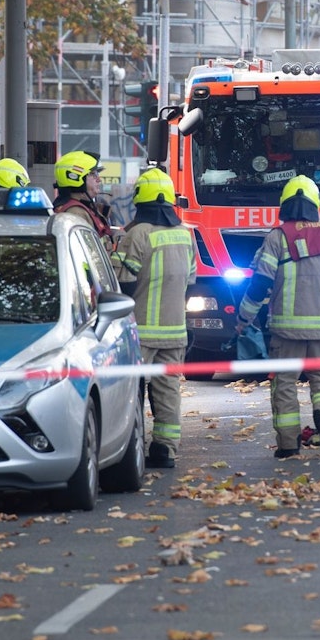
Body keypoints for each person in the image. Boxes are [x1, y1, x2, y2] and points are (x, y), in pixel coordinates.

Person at [236, 176, 320, 458]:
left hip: (285, 331)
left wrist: (243, 318)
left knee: (284, 384)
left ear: (284, 205)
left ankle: (288, 445)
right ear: (316, 204)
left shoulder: (277, 238)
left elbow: (260, 284)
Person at [112, 167, 195, 469]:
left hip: (139, 332)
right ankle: (165, 449)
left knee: (131, 391)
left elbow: (122, 284)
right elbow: (191, 281)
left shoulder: (137, 234)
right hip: (175, 331)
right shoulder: (185, 234)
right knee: (168, 390)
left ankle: (127, 448)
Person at [54, 150, 116, 247]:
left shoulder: (84, 209)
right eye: (92, 174)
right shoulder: (75, 214)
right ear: (75, 177)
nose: (98, 179)